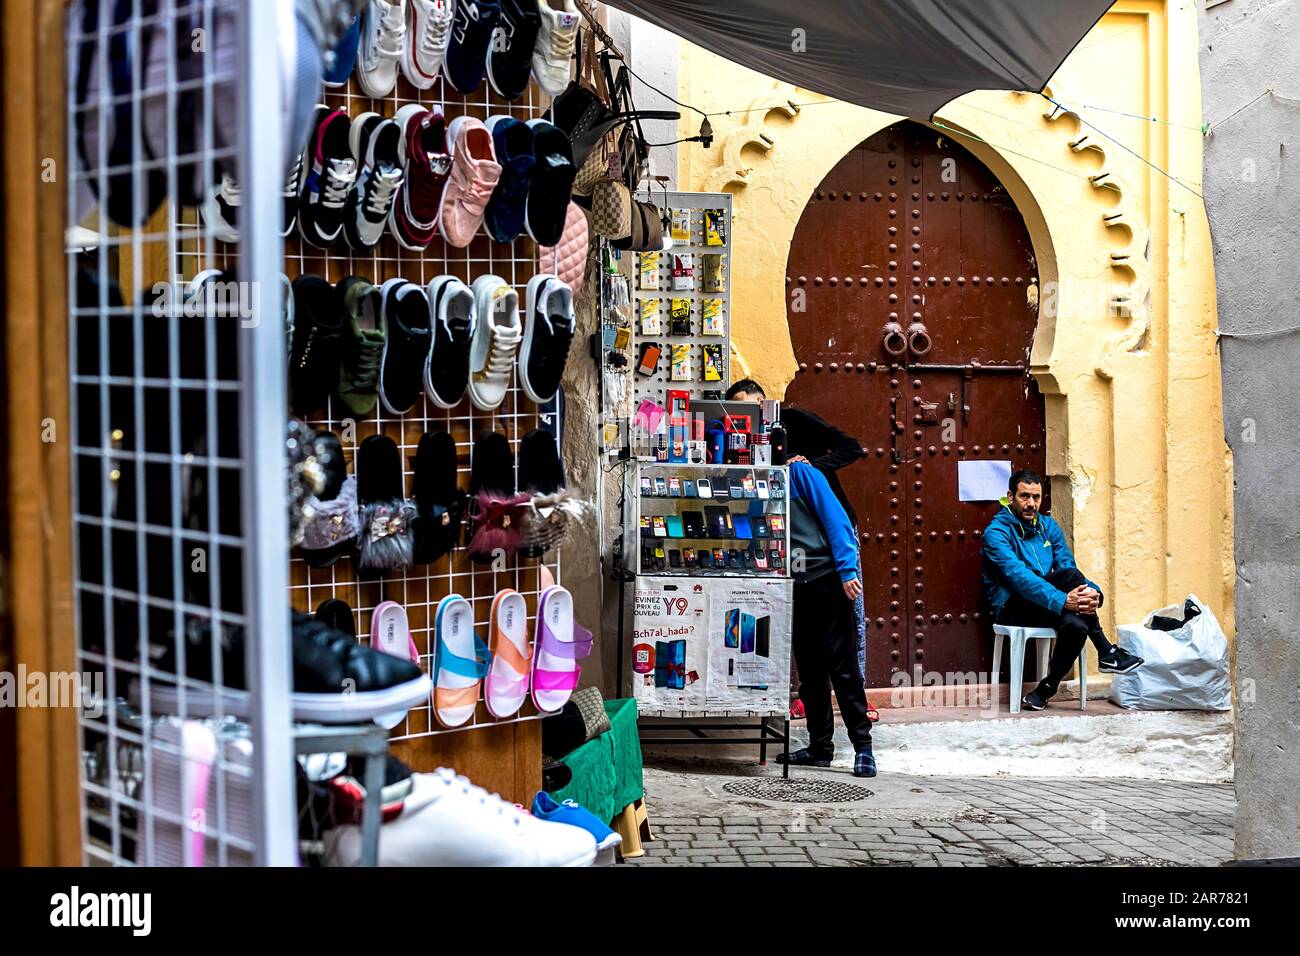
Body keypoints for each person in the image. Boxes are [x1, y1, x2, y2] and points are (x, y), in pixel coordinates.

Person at [725, 380, 877, 719]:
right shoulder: (742, 437)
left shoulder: (794, 420)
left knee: (849, 609)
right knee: (799, 620)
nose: (742, 413)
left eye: (745, 404)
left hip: (831, 525)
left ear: (762, 400)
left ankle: (859, 695)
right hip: (790, 536)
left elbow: (851, 447)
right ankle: (809, 695)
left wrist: (810, 470)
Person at [982, 469, 1144, 711]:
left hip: (1047, 603)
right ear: (1010, 496)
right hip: (1012, 607)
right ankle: (1106, 650)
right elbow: (1020, 578)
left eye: (1036, 497)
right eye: (1024, 496)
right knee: (1068, 579)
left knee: (1077, 625)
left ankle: (1046, 688)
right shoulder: (996, 533)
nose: (1031, 504)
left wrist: (1093, 594)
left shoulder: (1048, 527)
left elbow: (1068, 565)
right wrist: (1062, 600)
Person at [776, 460, 876, 777]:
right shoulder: (758, 477)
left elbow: (836, 520)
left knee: (843, 668)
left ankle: (864, 748)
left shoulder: (803, 474)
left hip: (827, 580)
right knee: (809, 671)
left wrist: (847, 570)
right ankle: (820, 747)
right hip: (795, 585)